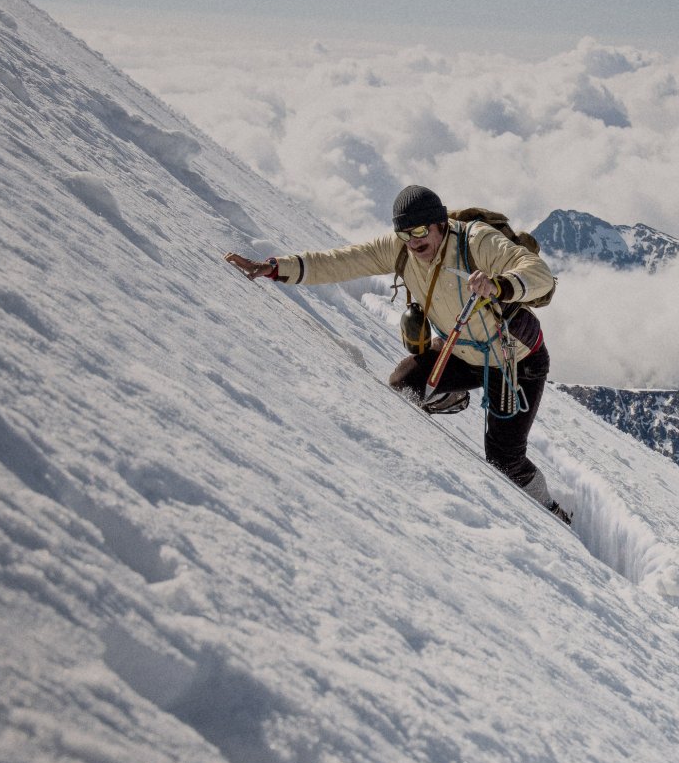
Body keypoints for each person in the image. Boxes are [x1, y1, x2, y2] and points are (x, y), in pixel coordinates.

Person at [227, 184, 570, 523]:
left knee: (505, 458)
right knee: (403, 385)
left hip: (516, 362)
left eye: (421, 231)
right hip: (461, 351)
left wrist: (499, 285)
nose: (413, 241)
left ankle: (551, 511)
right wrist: (274, 268)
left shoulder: (475, 240)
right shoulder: (402, 249)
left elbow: (539, 275)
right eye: (404, 234)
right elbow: (341, 262)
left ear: (440, 224)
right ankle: (451, 397)